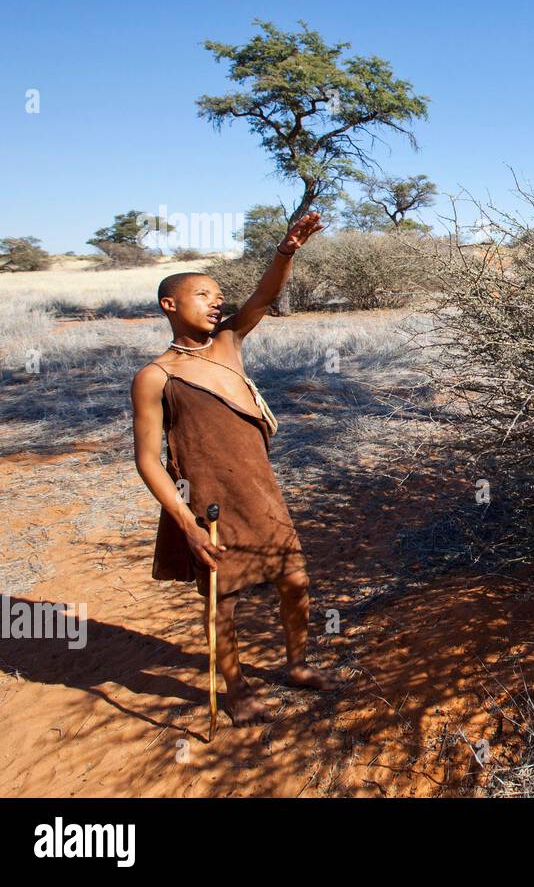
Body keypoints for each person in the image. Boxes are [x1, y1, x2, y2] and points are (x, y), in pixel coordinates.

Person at [130, 211, 342, 726]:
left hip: (261, 493)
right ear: (170, 304)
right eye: (203, 294)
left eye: (217, 293)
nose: (216, 301)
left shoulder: (228, 345)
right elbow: (146, 459)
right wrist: (188, 525)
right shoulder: (155, 377)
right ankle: (237, 688)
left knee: (295, 582)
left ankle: (296, 666)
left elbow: (263, 299)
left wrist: (286, 251)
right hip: (208, 504)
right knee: (223, 603)